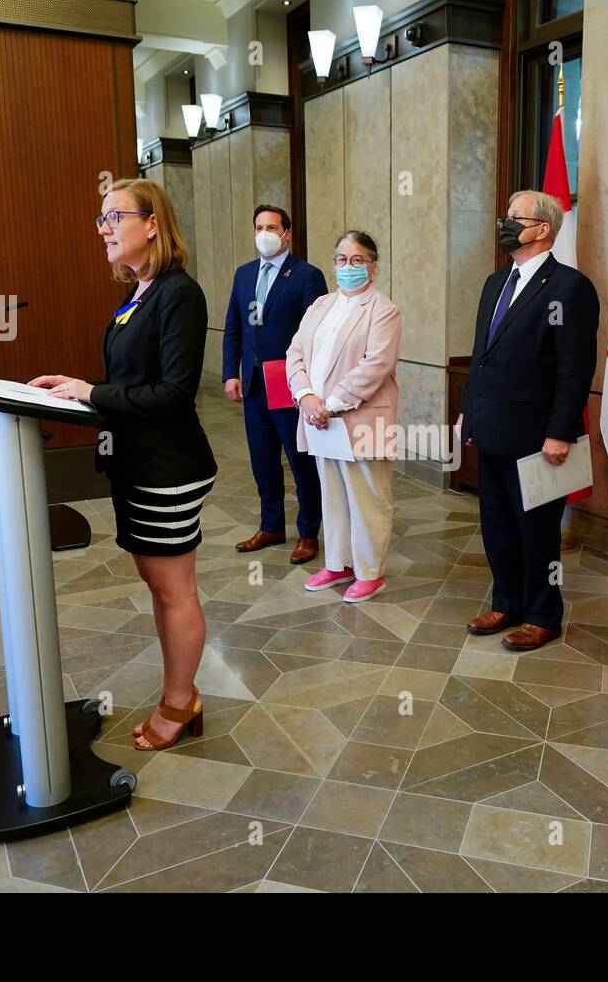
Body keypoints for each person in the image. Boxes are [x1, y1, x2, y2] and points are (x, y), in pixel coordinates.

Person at [29, 177, 216, 752]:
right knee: (158, 587)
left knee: (174, 590)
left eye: (116, 217)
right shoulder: (140, 295)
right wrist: (78, 387)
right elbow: (132, 385)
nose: (105, 229)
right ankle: (180, 692)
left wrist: (93, 392)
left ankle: (181, 703)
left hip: (168, 467)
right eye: (101, 221)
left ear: (152, 223)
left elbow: (173, 394)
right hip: (137, 463)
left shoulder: (179, 293)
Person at [457, 190, 598, 651]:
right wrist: (467, 412)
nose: (506, 224)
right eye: (507, 216)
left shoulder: (569, 287)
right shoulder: (495, 282)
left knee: (536, 530)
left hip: (540, 437)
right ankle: (507, 601)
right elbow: (481, 356)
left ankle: (542, 614)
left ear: (543, 229)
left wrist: (560, 431)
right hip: (491, 426)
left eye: (516, 218)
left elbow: (573, 368)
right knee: (496, 522)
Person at [285, 231, 401, 602]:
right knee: (332, 494)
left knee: (367, 497)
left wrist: (329, 404)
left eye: (356, 260)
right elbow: (295, 353)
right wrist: (305, 396)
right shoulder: (320, 305)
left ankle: (370, 572)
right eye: (340, 259)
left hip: (359, 418)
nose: (347, 267)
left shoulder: (383, 310)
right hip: (318, 418)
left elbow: (376, 366)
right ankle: (338, 563)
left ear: (373, 266)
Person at [223, 204, 328, 564]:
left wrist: (310, 385)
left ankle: (309, 532)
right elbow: (234, 327)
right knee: (263, 460)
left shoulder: (306, 276)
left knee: (300, 462)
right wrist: (230, 372)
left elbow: (317, 335)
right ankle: (271, 526)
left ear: (287, 233)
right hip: (253, 383)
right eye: (258, 226)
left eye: (271, 226)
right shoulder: (243, 274)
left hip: (290, 382)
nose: (264, 232)